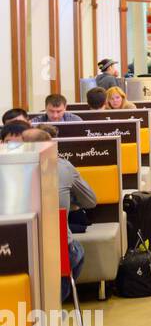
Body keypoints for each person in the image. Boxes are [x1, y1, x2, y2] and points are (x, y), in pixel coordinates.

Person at [24, 126, 95, 297]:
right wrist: (69, 202)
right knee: (75, 252)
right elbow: (90, 201)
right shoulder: (62, 166)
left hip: (15, 249)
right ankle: (56, 302)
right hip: (58, 248)